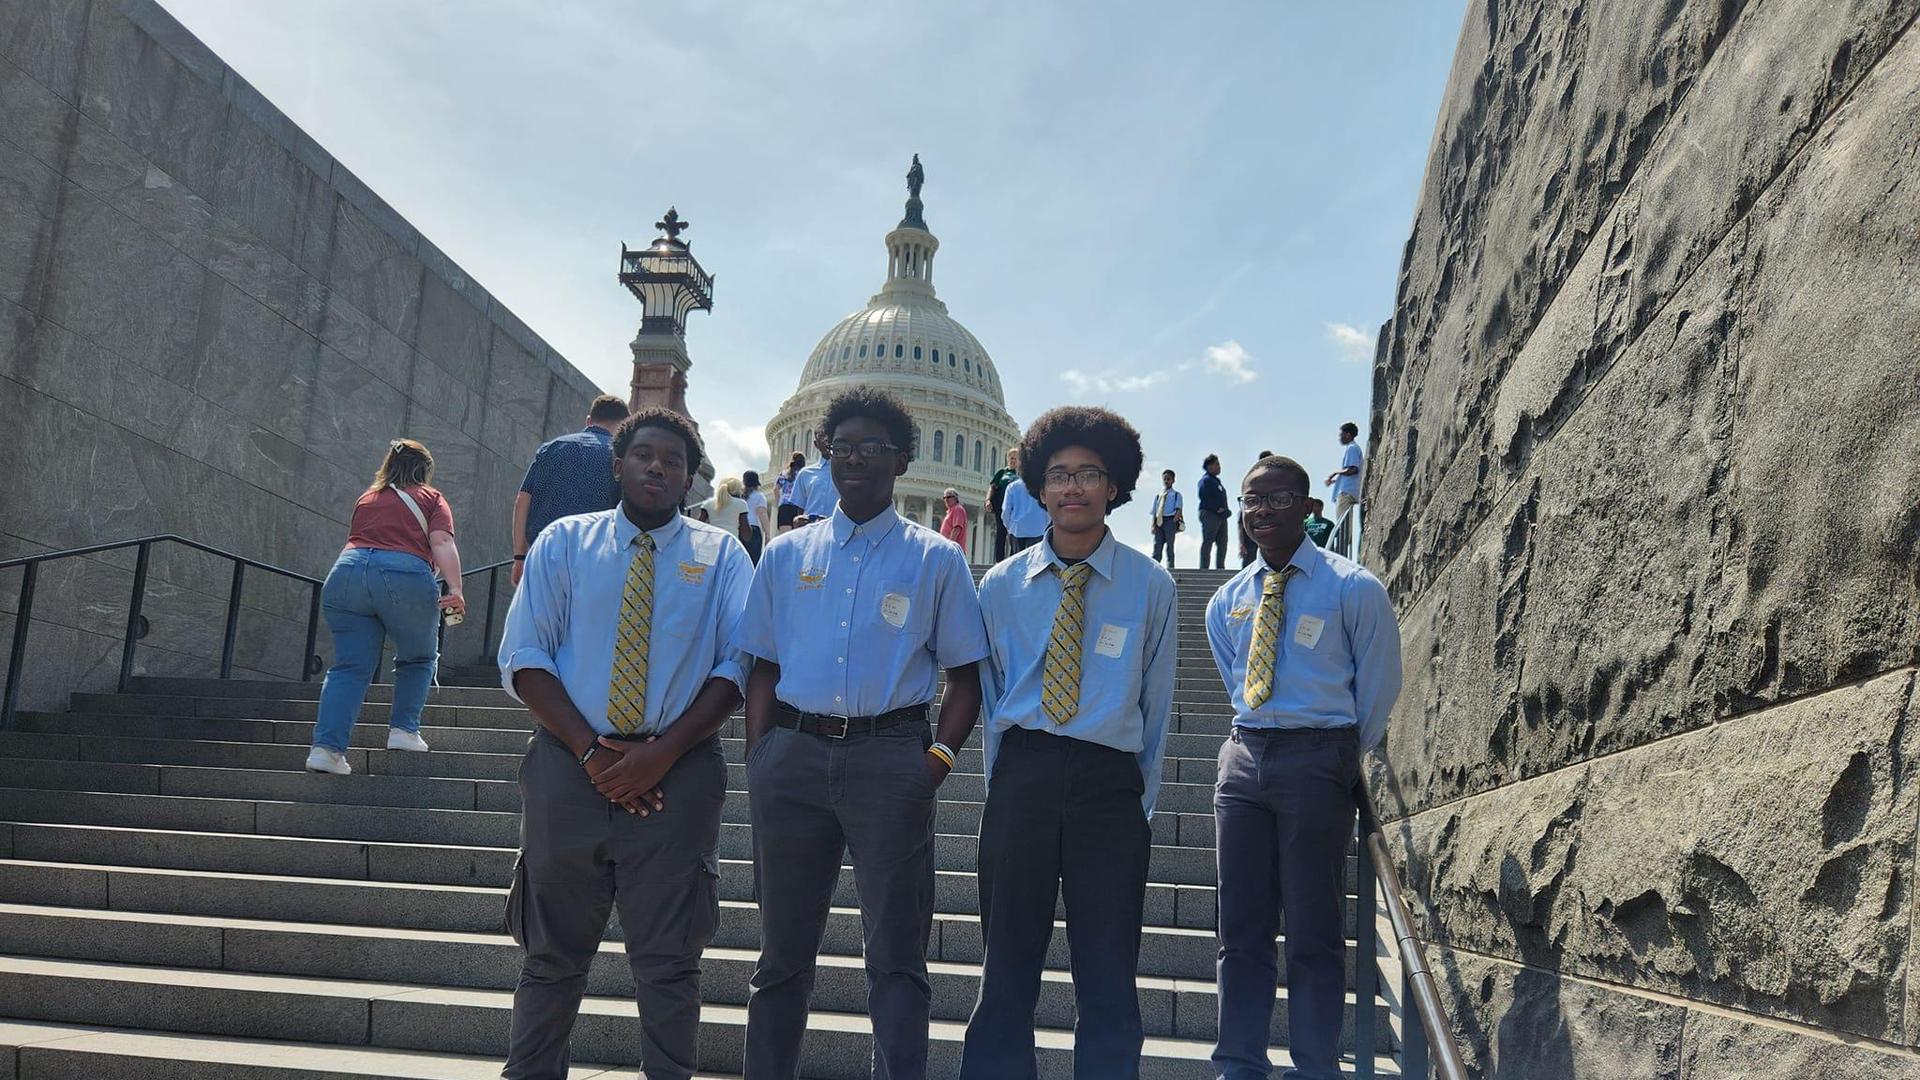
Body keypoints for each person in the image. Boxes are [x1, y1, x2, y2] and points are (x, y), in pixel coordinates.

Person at [738, 387, 988, 1080]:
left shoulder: (936, 560)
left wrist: (932, 762)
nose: (854, 459)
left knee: (897, 957)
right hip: (792, 758)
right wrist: (761, 754)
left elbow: (966, 676)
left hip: (891, 758)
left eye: (871, 448)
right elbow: (760, 662)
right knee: (780, 957)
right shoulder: (787, 555)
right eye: (840, 446)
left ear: (901, 460)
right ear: (823, 454)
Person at [496, 408, 753, 1080]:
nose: (658, 467)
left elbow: (737, 668)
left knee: (669, 964)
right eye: (644, 455)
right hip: (566, 766)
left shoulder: (722, 555)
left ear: (691, 479)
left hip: (679, 771)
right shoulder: (563, 544)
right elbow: (525, 656)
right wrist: (590, 751)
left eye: (674, 459)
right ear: (618, 466)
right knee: (551, 957)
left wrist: (660, 753)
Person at [960, 407, 1177, 1080]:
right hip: (1023, 778)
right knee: (1005, 974)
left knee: (1109, 977)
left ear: (1114, 486)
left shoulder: (1152, 586)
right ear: (1037, 488)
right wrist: (1009, 786)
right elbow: (994, 697)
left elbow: (1157, 706)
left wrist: (1132, 805)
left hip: (1108, 787)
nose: (1072, 488)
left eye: (1088, 474)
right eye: (1057, 475)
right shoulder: (999, 587)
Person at [1206, 455, 1402, 1080]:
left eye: (1276, 498)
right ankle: (1239, 1061)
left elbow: (1377, 689)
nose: (1261, 511)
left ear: (1307, 505)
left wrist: (1333, 753)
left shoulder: (1353, 588)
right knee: (1240, 926)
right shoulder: (1228, 600)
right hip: (1244, 759)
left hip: (1318, 759)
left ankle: (1316, 1066)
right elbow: (1233, 676)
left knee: (1315, 928)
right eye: (1250, 500)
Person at [306, 439, 465, 774]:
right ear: (424, 469)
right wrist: (456, 587)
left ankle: (326, 750)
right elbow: (442, 542)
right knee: (419, 657)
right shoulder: (431, 497)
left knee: (349, 667)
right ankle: (404, 730)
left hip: (346, 575)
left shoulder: (367, 497)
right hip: (403, 575)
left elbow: (361, 542)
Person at [512, 394, 628, 587]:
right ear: (624, 425)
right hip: (594, 562)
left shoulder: (551, 448)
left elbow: (522, 500)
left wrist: (519, 557)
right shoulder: (620, 460)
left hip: (544, 555)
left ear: (589, 420)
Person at [788, 430, 840, 525]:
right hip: (811, 530)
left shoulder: (846, 472)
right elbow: (799, 508)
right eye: (822, 436)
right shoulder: (805, 474)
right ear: (816, 444)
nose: (826, 439)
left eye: (828, 436)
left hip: (837, 528)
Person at [1000, 461, 1048, 555]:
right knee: (1036, 562)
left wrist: (1009, 527)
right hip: (1038, 529)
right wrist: (1046, 525)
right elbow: (1047, 508)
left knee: (1017, 562)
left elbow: (1006, 511)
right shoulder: (1041, 487)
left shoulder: (1012, 487)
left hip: (1017, 529)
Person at [1238, 450, 1275, 569]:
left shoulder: (1279, 482)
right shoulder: (1252, 482)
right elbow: (1241, 518)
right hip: (1254, 533)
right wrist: (1241, 543)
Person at [1197, 454, 1231, 570]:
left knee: (1223, 543)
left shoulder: (1217, 482)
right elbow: (1204, 496)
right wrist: (1217, 508)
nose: (1219, 467)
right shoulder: (1206, 480)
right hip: (1210, 514)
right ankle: (1204, 568)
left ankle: (1220, 568)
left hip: (1221, 516)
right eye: (1216, 464)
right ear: (1209, 466)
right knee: (1208, 541)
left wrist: (1226, 511)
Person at [1325, 422, 1363, 521]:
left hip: (1346, 492)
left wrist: (1336, 473)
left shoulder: (1352, 448)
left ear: (1348, 435)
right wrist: (1334, 481)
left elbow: (1353, 469)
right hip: (1349, 491)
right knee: (1345, 523)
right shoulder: (1353, 448)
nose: (1340, 438)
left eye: (1341, 435)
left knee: (1341, 522)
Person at [1148, 469, 1183, 570]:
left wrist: (1174, 521)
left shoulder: (1176, 495)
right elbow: (1154, 512)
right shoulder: (1159, 495)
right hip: (1159, 521)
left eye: (1169, 479)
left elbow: (1178, 509)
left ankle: (1170, 567)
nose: (1166, 481)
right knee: (1157, 545)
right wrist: (1153, 525)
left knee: (1170, 546)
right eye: (1165, 479)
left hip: (1170, 520)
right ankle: (1154, 568)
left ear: (1173, 480)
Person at [989, 448, 1020, 562]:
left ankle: (1013, 560)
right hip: (1001, 507)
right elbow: (992, 486)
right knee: (1001, 533)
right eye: (1011, 458)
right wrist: (988, 500)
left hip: (1017, 509)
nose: (1013, 460)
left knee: (1014, 535)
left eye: (1016, 458)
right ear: (1008, 459)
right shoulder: (1002, 472)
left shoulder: (1022, 475)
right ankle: (999, 561)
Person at [742, 470, 772, 564]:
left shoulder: (741, 497)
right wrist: (767, 534)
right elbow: (762, 514)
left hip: (740, 528)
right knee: (753, 561)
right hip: (753, 530)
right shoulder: (759, 496)